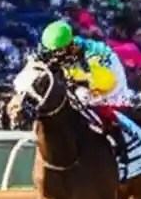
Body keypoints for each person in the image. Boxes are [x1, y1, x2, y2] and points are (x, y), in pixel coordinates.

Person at [39, 20, 130, 156]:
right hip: (88, 76)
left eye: (57, 52)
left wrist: (78, 83)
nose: (54, 57)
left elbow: (107, 83)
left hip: (108, 79)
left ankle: (115, 136)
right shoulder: (65, 51)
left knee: (83, 97)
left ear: (70, 46)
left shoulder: (91, 56)